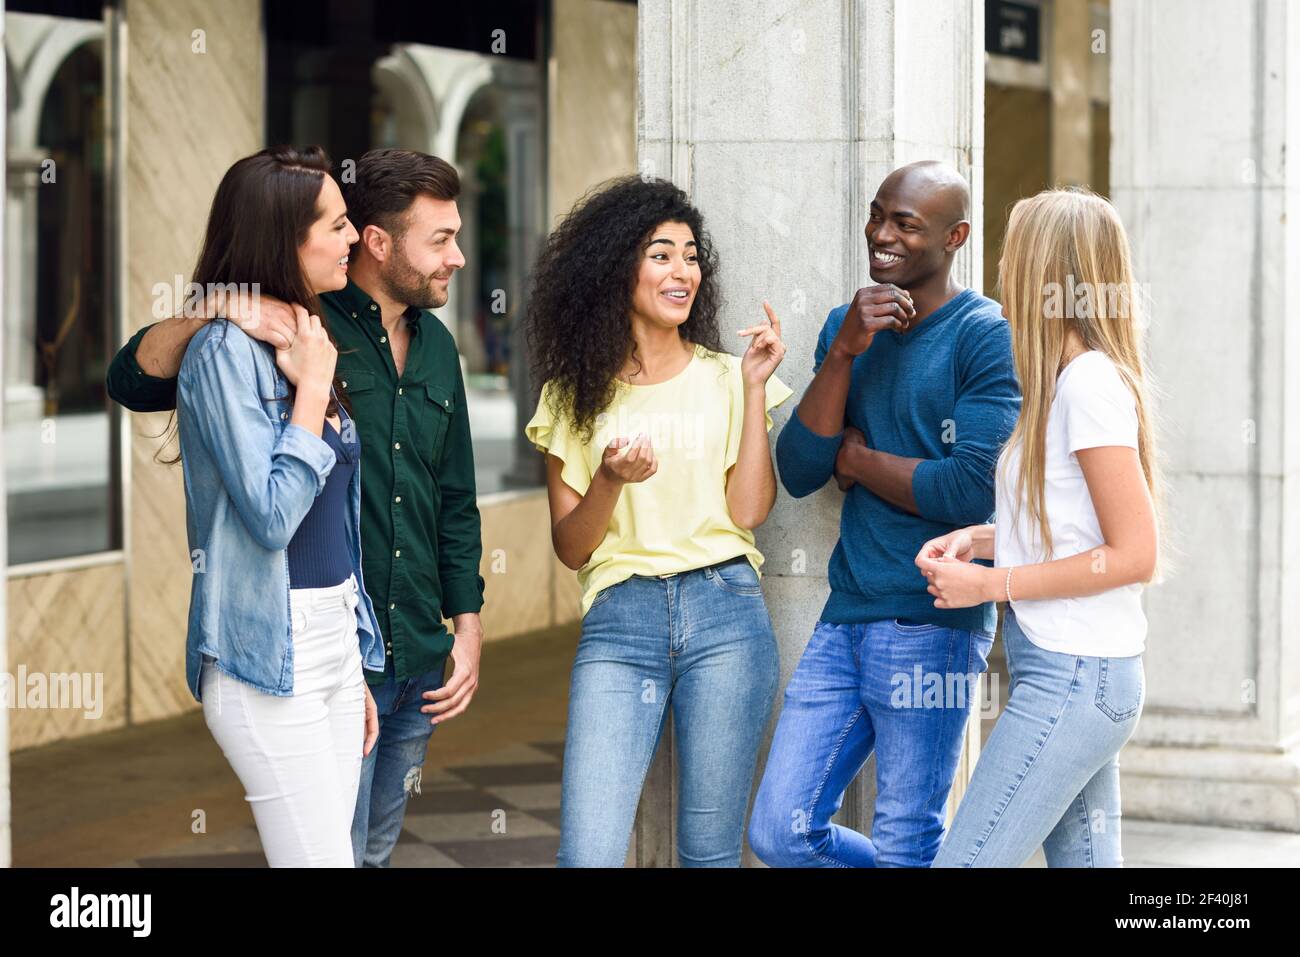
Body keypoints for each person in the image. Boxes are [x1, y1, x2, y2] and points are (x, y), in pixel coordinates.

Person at [105, 148, 486, 868]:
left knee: (361, 852)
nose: (458, 258)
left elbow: (450, 498)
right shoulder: (266, 335)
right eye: (440, 239)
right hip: (281, 640)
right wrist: (220, 307)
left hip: (367, 642)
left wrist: (446, 627)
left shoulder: (417, 345)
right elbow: (132, 380)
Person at [747, 161, 1021, 868]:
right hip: (845, 614)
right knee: (780, 831)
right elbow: (800, 470)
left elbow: (969, 490)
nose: (881, 234)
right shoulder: (847, 327)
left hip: (934, 622)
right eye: (877, 215)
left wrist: (860, 460)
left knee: (907, 838)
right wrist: (843, 352)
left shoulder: (985, 334)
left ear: (955, 237)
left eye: (906, 223)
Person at [523, 176, 793, 866]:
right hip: (621, 621)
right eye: (662, 255)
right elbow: (572, 548)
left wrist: (755, 386)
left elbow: (749, 511)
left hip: (726, 613)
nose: (683, 272)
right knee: (588, 853)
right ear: (617, 269)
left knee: (708, 854)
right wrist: (610, 479)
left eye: (692, 256)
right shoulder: (571, 397)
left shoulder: (729, 377)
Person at [925, 188, 1162, 868]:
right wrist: (980, 541)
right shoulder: (1064, 384)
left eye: (1013, 257)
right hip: (1075, 672)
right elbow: (1071, 525)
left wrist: (990, 584)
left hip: (1074, 676)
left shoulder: (1087, 385)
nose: (1003, 274)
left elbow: (1134, 553)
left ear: (1046, 276)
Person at [167, 145, 379, 866]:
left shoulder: (306, 330)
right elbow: (271, 515)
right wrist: (313, 391)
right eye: (337, 225)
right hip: (265, 650)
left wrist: (349, 657)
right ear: (285, 239)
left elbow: (335, 518)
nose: (353, 239)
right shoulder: (222, 352)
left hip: (333, 639)